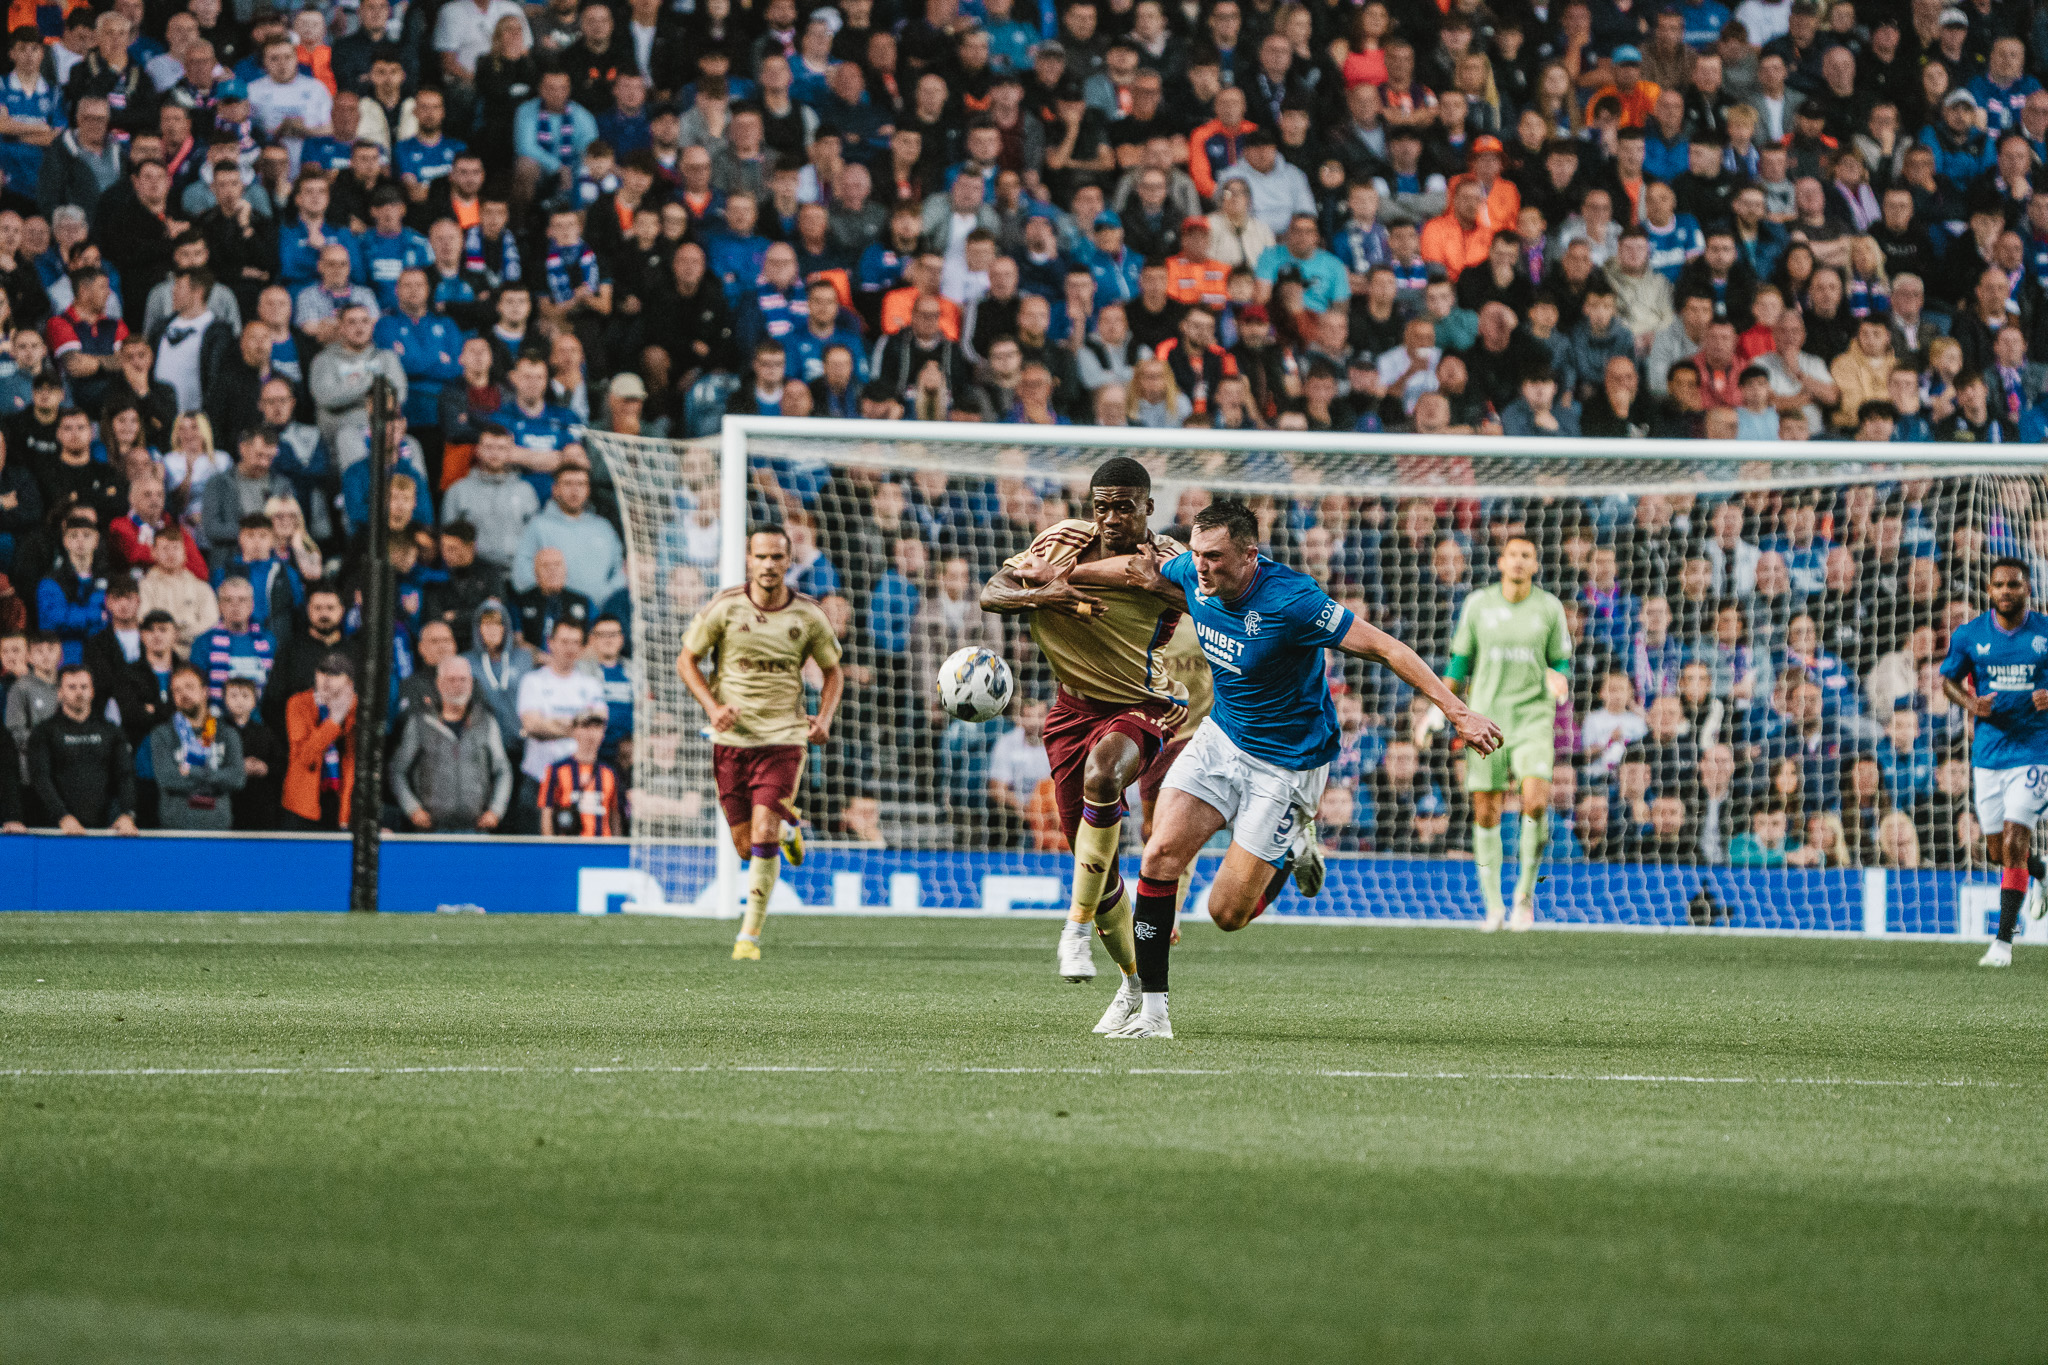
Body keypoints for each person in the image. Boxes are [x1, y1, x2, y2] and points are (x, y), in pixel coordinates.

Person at [1027, 497, 1501, 1037]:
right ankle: (1153, 1014)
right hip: (1223, 738)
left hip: (1286, 764)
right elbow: (1139, 571)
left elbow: (1388, 649)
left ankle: (1293, 847)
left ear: (1250, 554)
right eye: (1198, 555)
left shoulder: (1293, 600)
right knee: (1158, 855)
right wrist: (1060, 571)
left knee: (1225, 913)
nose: (1200, 566)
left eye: (1215, 557)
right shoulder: (1193, 572)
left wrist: (1457, 712)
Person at [978, 457, 1186, 995]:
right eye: (1103, 507)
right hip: (1070, 713)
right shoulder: (1061, 541)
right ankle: (1134, 983)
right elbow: (993, 592)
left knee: (1103, 777)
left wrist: (1154, 585)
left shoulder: (1168, 559)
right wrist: (1040, 595)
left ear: (1148, 508)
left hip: (1140, 704)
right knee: (1102, 869)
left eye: (1124, 507)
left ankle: (1072, 926)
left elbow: (1211, 605)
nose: (1112, 518)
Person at [677, 525, 844, 960]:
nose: (769, 565)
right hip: (731, 740)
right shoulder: (726, 608)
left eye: (777, 557)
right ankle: (789, 826)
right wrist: (713, 709)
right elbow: (687, 661)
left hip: (784, 739)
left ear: (788, 562)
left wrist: (823, 719)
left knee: (763, 831)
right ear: (748, 560)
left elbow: (833, 672)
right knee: (745, 845)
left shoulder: (808, 615)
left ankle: (748, 936)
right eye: (761, 557)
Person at [1446, 537, 1573, 931]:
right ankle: (1493, 905)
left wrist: (1560, 680)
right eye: (1513, 555)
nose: (1519, 562)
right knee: (1486, 810)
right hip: (1487, 719)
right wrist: (1440, 709)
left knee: (1534, 799)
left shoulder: (1549, 608)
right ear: (1501, 562)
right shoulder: (1479, 605)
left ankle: (1523, 896)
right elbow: (1460, 661)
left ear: (1535, 566)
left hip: (1533, 718)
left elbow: (1560, 662)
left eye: (1527, 556)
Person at [1939, 558, 2048, 968]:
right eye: (1999, 585)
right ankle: (2041, 872)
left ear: (2027, 589)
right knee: (1996, 850)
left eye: (2014, 585)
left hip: (2036, 750)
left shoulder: (2044, 633)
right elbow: (1948, 679)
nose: (2006, 591)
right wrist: (1971, 703)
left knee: (2017, 838)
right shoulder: (1970, 636)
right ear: (1989, 591)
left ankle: (2003, 942)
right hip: (1989, 753)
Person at [390, 654, 512, 832]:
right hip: (431, 832)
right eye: (451, 680)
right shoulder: (420, 723)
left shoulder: (486, 722)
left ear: (471, 683)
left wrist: (496, 810)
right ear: (439, 684)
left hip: (476, 831)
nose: (458, 685)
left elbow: (503, 770)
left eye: (463, 680)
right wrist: (412, 809)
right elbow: (397, 770)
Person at [28, 664, 137, 832]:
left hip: (105, 828)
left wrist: (126, 814)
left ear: (92, 691)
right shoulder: (44, 731)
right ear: (60, 692)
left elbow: (125, 775)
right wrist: (62, 816)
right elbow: (40, 778)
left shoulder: (111, 731)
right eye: (71, 687)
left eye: (84, 687)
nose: (79, 692)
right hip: (56, 830)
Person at [149, 661, 243, 830]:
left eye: (189, 687)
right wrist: (215, 777)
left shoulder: (227, 733)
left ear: (204, 691)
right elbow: (167, 779)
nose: (183, 694)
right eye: (177, 690)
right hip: (176, 830)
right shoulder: (161, 734)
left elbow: (237, 778)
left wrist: (191, 772)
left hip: (218, 830)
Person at [281, 652, 357, 830]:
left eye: (335, 674)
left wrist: (343, 712)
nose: (327, 679)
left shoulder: (358, 710)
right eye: (322, 672)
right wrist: (334, 720)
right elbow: (305, 757)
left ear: (349, 683)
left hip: (340, 802)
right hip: (303, 804)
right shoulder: (298, 703)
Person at [537, 708, 620, 837]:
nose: (591, 733)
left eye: (597, 727)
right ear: (574, 731)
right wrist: (551, 848)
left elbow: (615, 816)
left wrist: (615, 848)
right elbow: (546, 813)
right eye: (585, 727)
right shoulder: (556, 770)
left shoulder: (609, 773)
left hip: (602, 848)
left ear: (603, 734)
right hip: (568, 848)